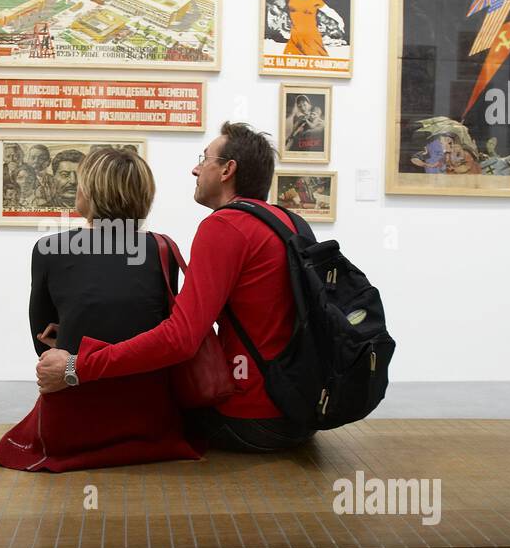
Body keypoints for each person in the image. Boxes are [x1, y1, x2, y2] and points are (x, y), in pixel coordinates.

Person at [36, 122, 315, 454]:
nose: (195, 169)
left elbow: (180, 340)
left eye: (204, 158)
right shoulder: (289, 222)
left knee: (146, 415)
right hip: (301, 412)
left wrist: (76, 366)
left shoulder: (224, 227)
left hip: (251, 419)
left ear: (228, 169)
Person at [0, 147, 201, 472]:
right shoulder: (162, 248)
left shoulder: (50, 248)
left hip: (73, 418)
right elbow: (157, 326)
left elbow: (40, 338)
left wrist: (77, 332)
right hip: (148, 418)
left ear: (91, 192)